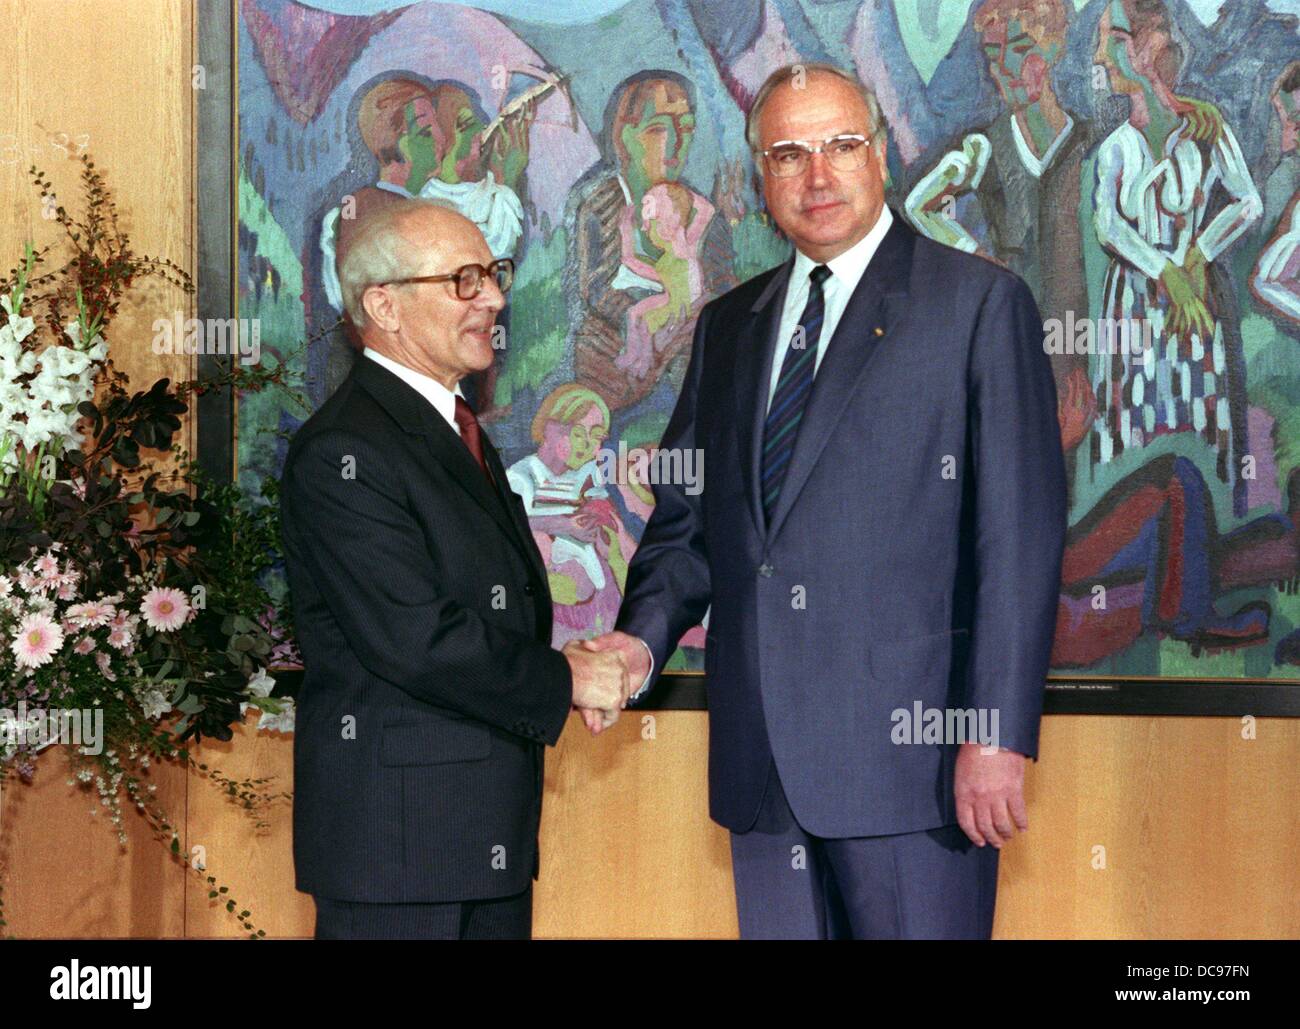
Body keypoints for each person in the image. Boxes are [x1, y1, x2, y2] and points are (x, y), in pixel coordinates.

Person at [582, 63, 1068, 938]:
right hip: (762, 767)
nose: (817, 175)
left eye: (841, 146)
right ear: (761, 176)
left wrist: (995, 734)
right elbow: (689, 522)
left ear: (880, 154)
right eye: (788, 154)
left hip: (917, 770)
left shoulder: (979, 305)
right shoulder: (728, 325)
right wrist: (638, 641)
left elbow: (1018, 543)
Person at [280, 197, 630, 940]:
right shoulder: (345, 451)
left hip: (478, 844)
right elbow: (414, 638)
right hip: (402, 856)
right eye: (463, 280)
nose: (493, 298)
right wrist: (565, 679)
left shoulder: (452, 425)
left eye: (494, 274)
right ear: (384, 306)